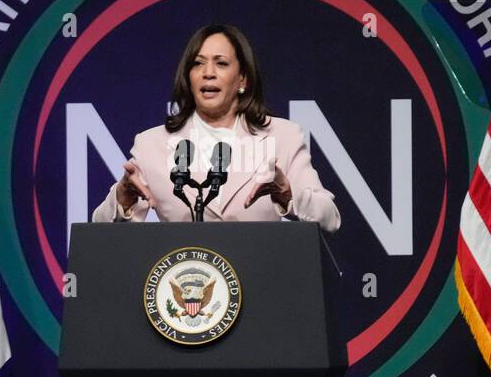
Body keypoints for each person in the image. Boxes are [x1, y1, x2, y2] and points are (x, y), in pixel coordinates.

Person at [91, 23, 341, 232]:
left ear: (242, 79)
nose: (208, 73)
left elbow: (330, 218)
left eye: (221, 63)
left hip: (263, 282)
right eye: (198, 64)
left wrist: (288, 195)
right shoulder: (151, 145)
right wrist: (121, 200)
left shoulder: (282, 136)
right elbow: (100, 229)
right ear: (188, 78)